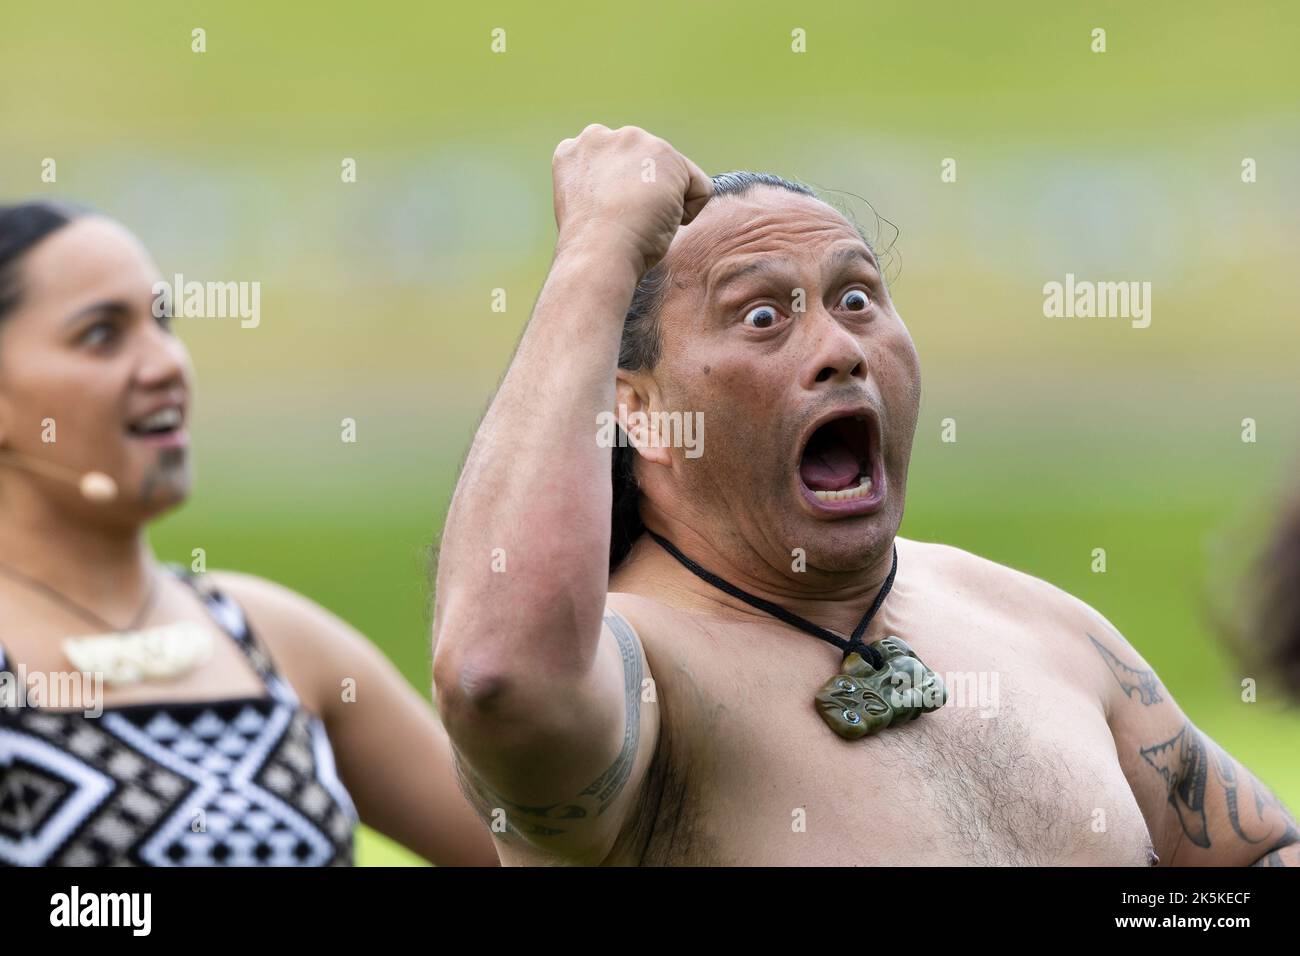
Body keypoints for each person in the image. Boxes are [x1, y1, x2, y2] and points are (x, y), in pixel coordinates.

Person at [431, 124, 1299, 866]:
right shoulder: (640, 676)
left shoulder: (1038, 625)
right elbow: (498, 677)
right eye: (762, 316)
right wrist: (596, 250)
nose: (840, 349)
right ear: (640, 413)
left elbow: (1251, 858)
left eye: (855, 298)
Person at [0, 200, 497, 867]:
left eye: (162, 323)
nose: (165, 364)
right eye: (101, 334)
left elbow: (539, 848)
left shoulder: (276, 639)